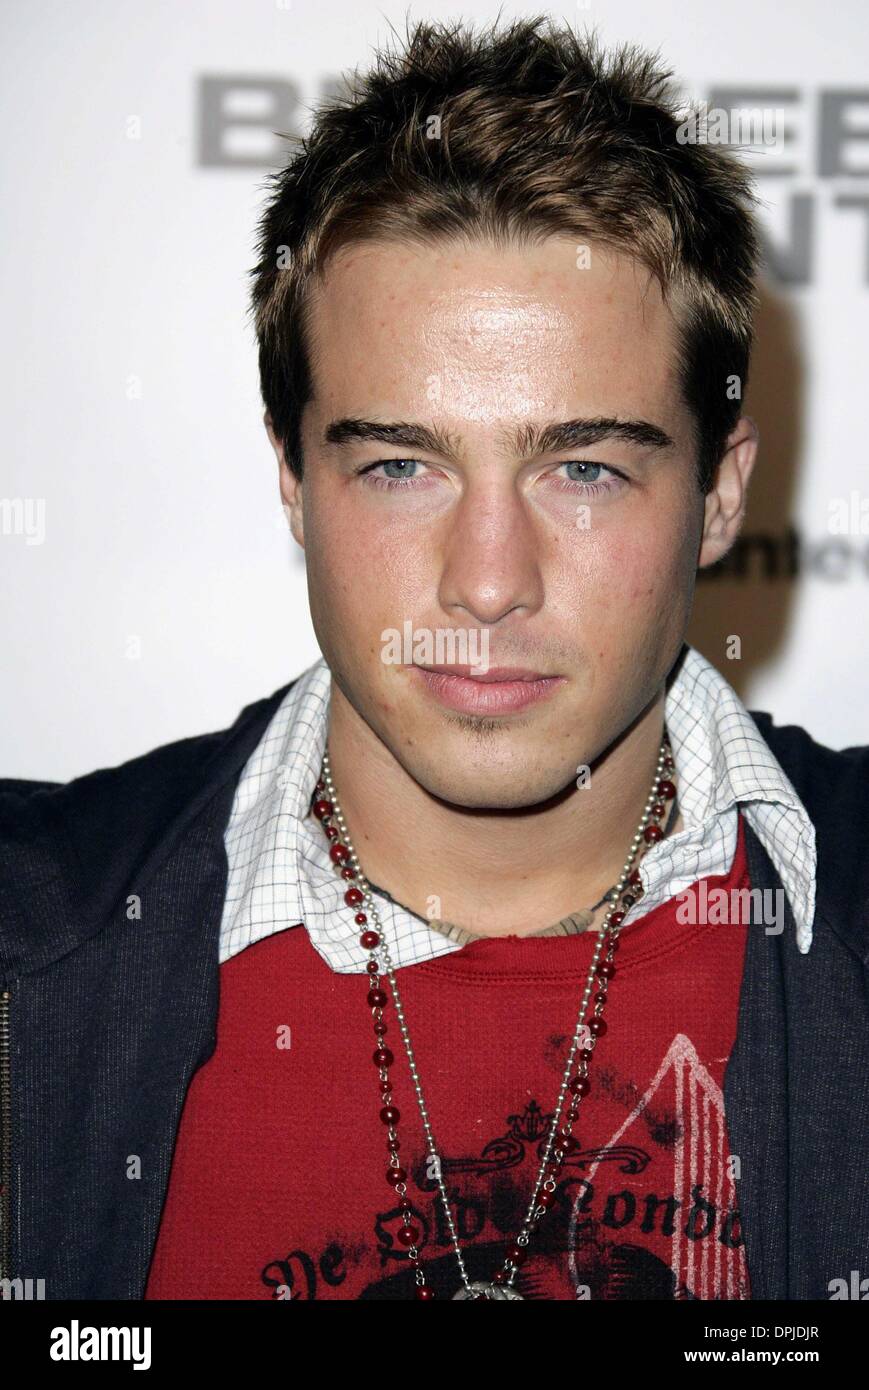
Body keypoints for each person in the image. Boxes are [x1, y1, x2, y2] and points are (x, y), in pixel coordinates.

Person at [1, 15, 867, 1303]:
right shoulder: (27, 945)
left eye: (585, 468)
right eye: (402, 465)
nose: (488, 581)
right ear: (294, 480)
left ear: (721, 494)